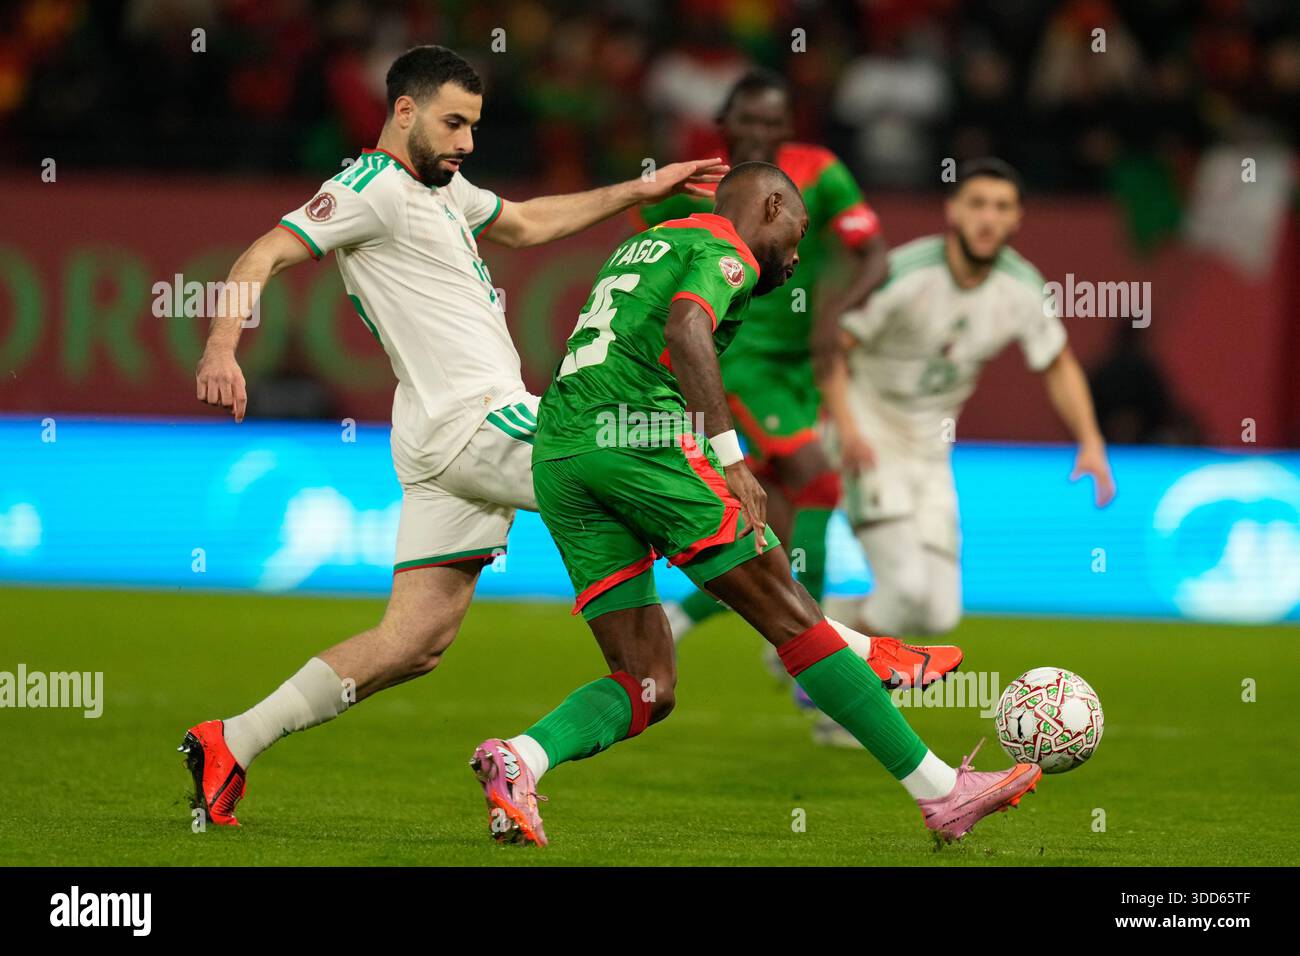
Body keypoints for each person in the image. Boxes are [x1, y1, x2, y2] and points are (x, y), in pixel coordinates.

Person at [179, 45, 730, 827]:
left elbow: (530, 222)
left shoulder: (444, 189)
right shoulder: (367, 188)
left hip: (441, 441)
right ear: (403, 111)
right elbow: (261, 253)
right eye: (453, 122)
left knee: (414, 642)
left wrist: (640, 189)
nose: (467, 141)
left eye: (473, 124)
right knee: (656, 475)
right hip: (477, 418)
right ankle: (840, 646)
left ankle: (231, 739)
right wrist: (221, 345)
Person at [470, 162, 1036, 847]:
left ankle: (520, 759)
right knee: (788, 613)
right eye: (798, 232)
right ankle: (941, 789)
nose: (798, 257)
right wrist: (731, 458)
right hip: (637, 439)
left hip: (561, 454)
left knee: (647, 682)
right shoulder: (722, 248)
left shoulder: (649, 241)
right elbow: (686, 329)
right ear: (770, 206)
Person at [635, 70, 890, 639]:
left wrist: (833, 315)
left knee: (774, 516)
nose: (758, 132)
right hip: (735, 362)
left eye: (772, 122)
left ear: (788, 127)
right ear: (723, 123)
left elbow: (874, 255)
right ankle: (810, 652)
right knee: (820, 483)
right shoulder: (698, 179)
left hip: (799, 369)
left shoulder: (820, 171)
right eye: (747, 120)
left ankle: (679, 619)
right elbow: (642, 248)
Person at [823, 158, 1116, 643]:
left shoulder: (1021, 288)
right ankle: (827, 689)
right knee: (905, 589)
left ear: (1017, 218)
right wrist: (847, 429)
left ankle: (808, 632)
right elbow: (834, 350)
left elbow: (1058, 362)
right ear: (953, 211)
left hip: (932, 449)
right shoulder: (902, 273)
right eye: (977, 204)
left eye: (1002, 207)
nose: (988, 217)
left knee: (938, 614)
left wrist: (1090, 439)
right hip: (870, 434)